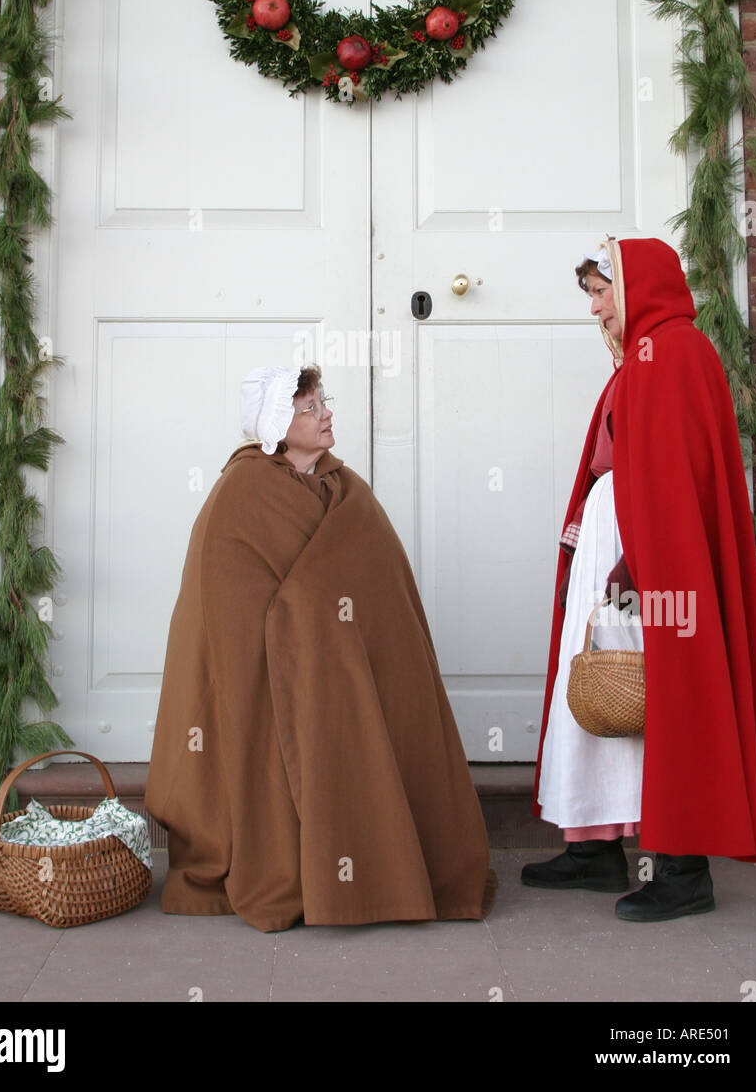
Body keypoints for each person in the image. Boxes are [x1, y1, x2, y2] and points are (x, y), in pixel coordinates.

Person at [145, 363, 496, 932]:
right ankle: (301, 867)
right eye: (310, 407)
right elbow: (229, 603)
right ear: (279, 424)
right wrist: (304, 624)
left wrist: (328, 621)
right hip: (272, 672)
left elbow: (380, 586)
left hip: (341, 662)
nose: (326, 412)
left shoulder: (345, 488)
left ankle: (391, 860)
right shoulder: (243, 490)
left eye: (322, 401)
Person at [524, 236, 756, 920]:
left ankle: (683, 868)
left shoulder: (671, 351)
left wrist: (636, 568)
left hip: (645, 563)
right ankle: (595, 844)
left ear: (636, 286)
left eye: (602, 292)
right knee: (605, 677)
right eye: (591, 297)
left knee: (664, 692)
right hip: (622, 551)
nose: (596, 310)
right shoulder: (642, 356)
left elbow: (673, 483)